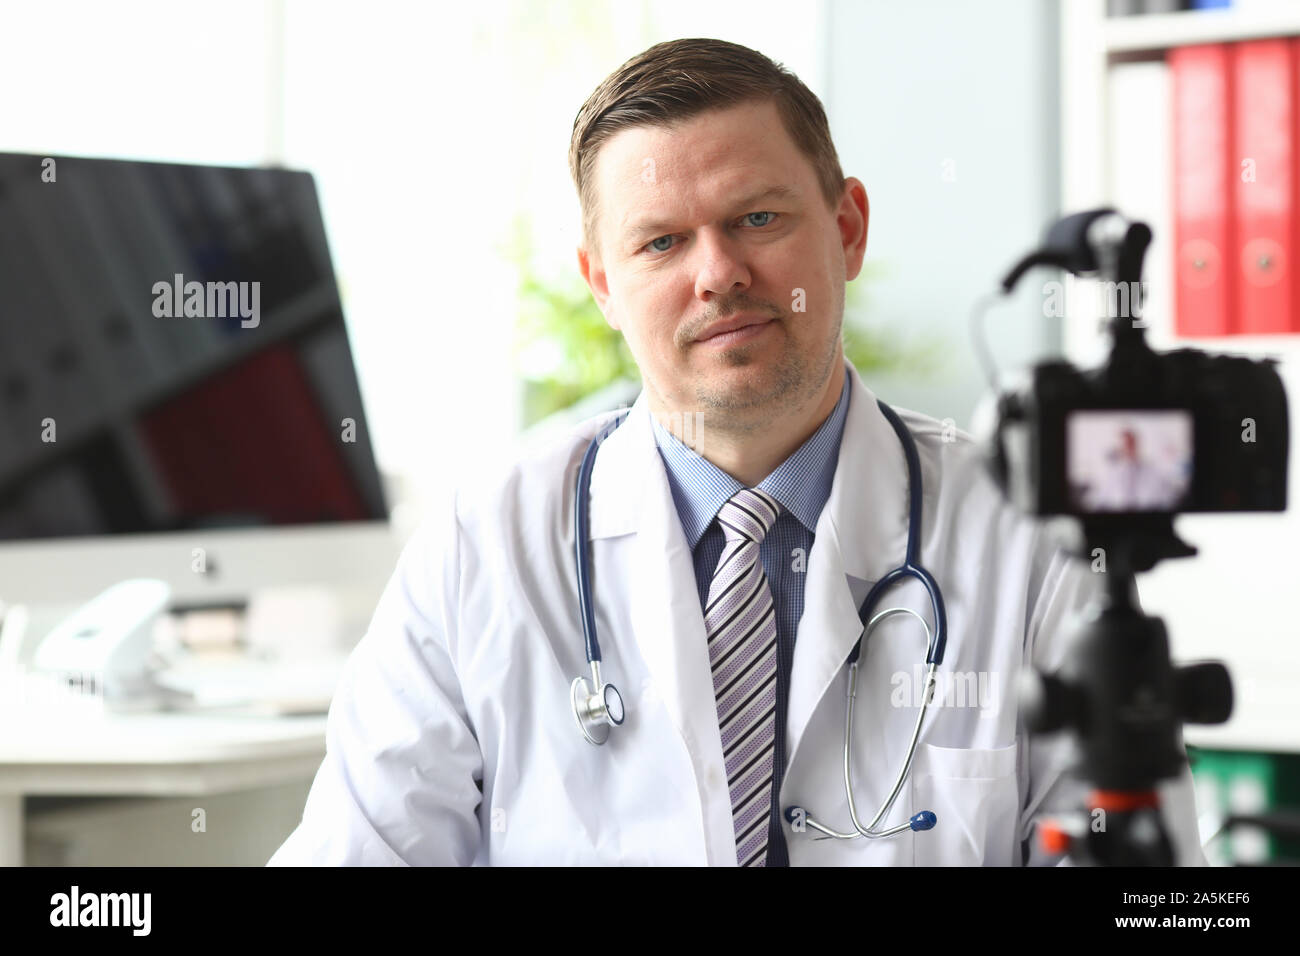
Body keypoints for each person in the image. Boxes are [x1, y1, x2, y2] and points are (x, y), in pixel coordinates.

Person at [268, 37, 1205, 866]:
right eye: (661, 242)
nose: (717, 273)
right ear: (602, 283)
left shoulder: (1026, 532)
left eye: (757, 218)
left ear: (847, 229)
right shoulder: (485, 544)